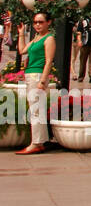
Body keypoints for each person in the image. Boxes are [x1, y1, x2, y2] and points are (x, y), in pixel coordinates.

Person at [15, 14, 56, 154]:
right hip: (30, 75)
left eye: (41, 22)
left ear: (48, 22)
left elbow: (49, 60)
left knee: (35, 111)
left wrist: (43, 81)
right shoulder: (36, 38)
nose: (37, 25)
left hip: (37, 76)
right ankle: (41, 141)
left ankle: (36, 142)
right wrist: (21, 34)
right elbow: (22, 51)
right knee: (37, 109)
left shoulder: (49, 38)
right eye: (35, 22)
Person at [75, 15, 91, 85]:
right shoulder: (82, 20)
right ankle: (81, 76)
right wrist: (79, 41)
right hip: (84, 44)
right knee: (83, 61)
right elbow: (79, 31)